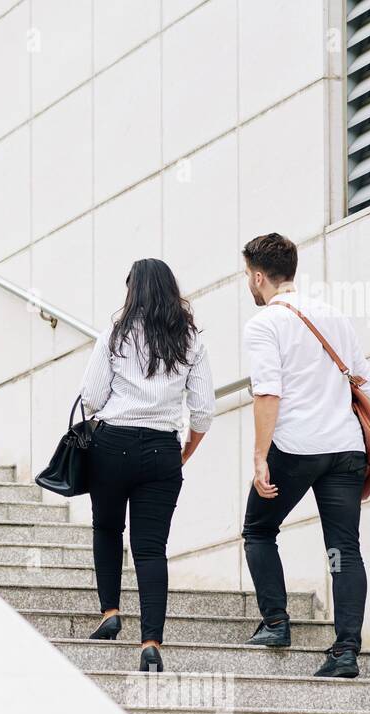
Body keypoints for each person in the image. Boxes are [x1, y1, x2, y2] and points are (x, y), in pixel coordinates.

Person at [239, 233, 370, 678]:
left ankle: (276, 622)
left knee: (259, 530)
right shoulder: (334, 315)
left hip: (297, 447)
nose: (248, 284)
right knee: (344, 549)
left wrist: (261, 457)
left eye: (247, 276)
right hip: (346, 448)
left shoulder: (264, 324)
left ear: (259, 276)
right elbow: (361, 379)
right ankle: (346, 651)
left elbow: (267, 393)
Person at [79, 258, 214, 673]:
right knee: (152, 548)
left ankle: (110, 612)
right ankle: (151, 642)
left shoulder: (114, 337)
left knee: (107, 527)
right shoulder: (191, 342)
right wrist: (184, 451)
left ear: (133, 291)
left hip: (112, 443)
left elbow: (91, 396)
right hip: (162, 450)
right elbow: (204, 410)